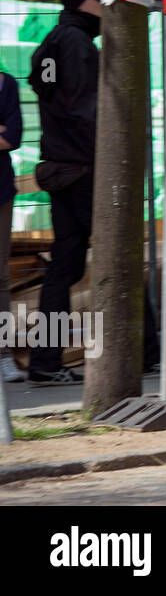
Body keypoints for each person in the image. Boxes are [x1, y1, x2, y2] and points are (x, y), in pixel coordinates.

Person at [26, 0, 166, 382]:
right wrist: (115, 158)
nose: (107, 4)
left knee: (64, 269)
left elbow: (51, 95)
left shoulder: (53, 44)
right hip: (85, 169)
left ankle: (45, 362)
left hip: (61, 169)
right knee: (122, 256)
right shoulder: (76, 45)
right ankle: (147, 353)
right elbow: (85, 111)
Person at [0, 68, 23, 383]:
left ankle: (3, 355)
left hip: (1, 191)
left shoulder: (7, 84)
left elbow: (12, 137)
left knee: (0, 277)